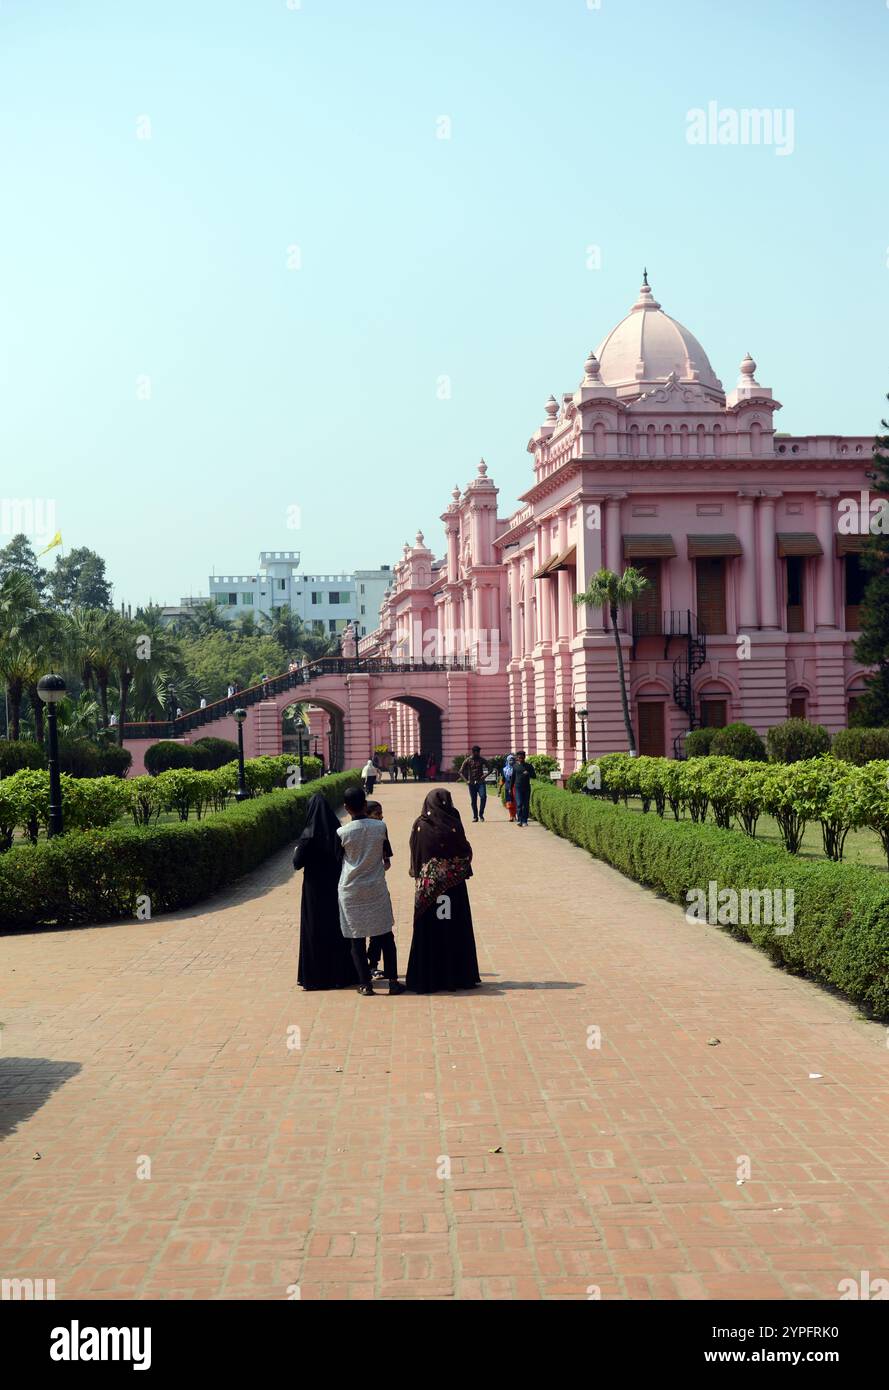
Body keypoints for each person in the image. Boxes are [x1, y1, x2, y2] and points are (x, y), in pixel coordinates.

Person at [406, 789, 480, 994]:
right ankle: (457, 976)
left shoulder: (421, 825)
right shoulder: (453, 821)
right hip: (454, 888)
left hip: (429, 891)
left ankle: (428, 976)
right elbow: (465, 851)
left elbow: (417, 854)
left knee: (430, 931)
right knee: (453, 929)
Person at [337, 786, 403, 996]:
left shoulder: (341, 832)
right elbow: (386, 855)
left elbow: (337, 859)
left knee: (356, 939)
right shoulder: (380, 827)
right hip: (375, 887)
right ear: (365, 805)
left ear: (347, 808)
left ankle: (365, 984)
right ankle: (393, 981)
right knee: (385, 935)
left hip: (351, 890)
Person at [292, 794, 357, 990]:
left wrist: (296, 850)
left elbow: (297, 863)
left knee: (315, 929)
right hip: (335, 885)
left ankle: (316, 977)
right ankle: (341, 975)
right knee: (337, 928)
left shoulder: (308, 835)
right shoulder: (338, 831)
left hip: (314, 889)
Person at [365, 800, 394, 979]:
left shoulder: (382, 828)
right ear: (366, 814)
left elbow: (387, 861)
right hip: (366, 886)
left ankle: (371, 964)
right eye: (377, 814)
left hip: (373, 885)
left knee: (378, 929)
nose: (381, 817)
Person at [459, 745, 490, 823]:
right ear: (472, 752)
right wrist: (466, 781)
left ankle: (481, 814)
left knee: (483, 797)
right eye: (475, 752)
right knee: (473, 800)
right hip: (471, 783)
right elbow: (460, 772)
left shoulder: (482, 760)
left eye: (478, 752)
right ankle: (475, 816)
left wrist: (485, 776)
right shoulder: (468, 760)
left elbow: (490, 769)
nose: (477, 753)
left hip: (481, 782)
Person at [513, 750, 535, 827]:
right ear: (517, 758)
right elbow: (513, 778)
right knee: (519, 804)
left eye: (522, 758)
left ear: (524, 757)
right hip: (518, 788)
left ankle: (524, 820)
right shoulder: (515, 766)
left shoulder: (529, 766)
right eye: (519, 758)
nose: (521, 759)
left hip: (526, 788)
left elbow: (534, 776)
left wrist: (528, 773)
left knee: (525, 805)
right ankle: (520, 820)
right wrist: (510, 788)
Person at [501, 753, 517, 822]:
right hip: (507, 787)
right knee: (509, 801)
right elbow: (503, 779)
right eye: (510, 760)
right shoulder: (504, 769)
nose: (511, 761)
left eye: (513, 760)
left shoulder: (516, 768)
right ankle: (511, 816)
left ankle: (515, 815)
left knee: (515, 801)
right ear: (507, 761)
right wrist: (500, 788)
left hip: (515, 787)